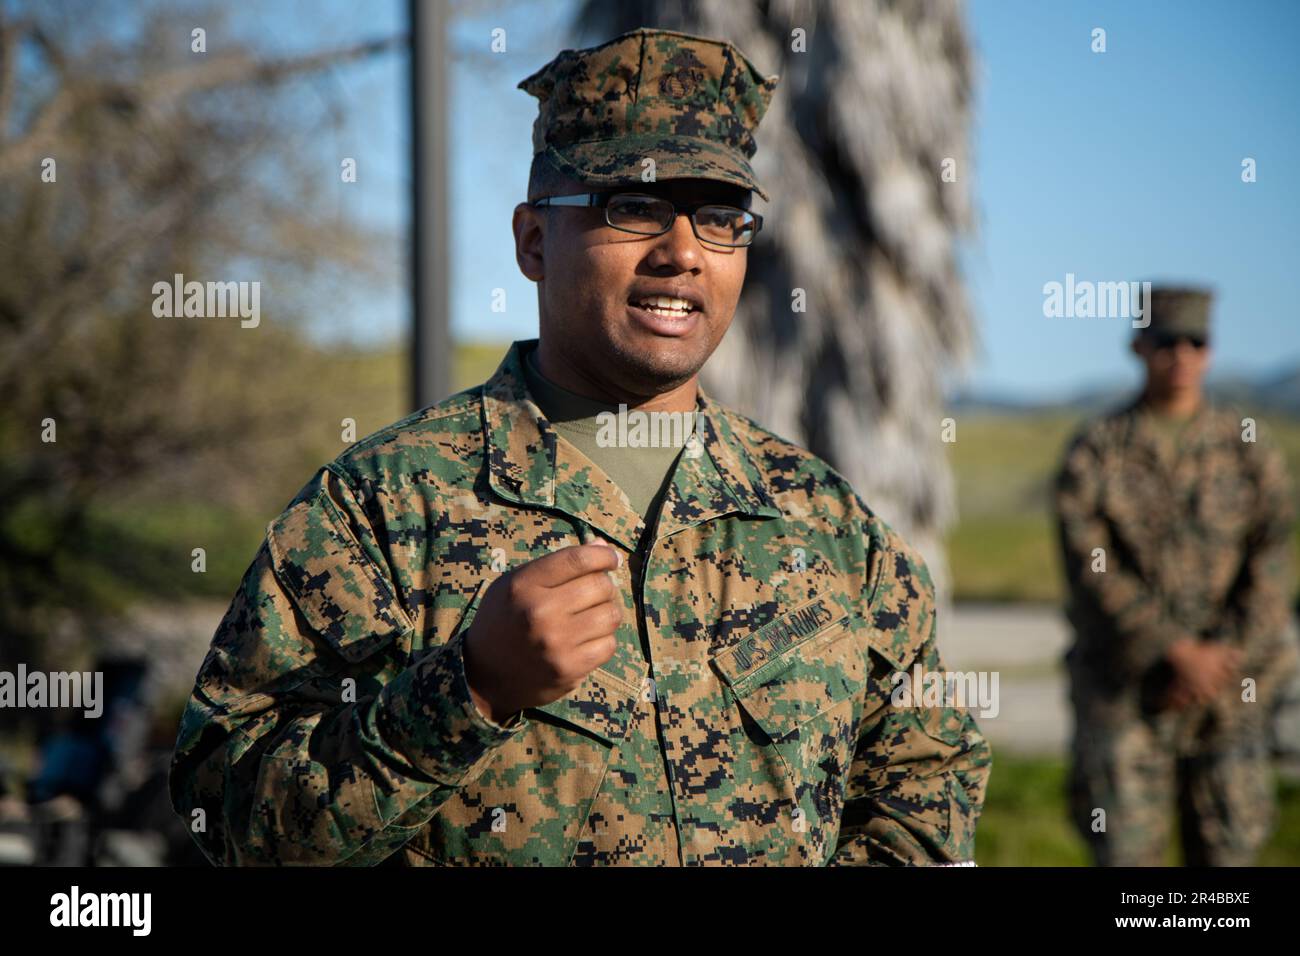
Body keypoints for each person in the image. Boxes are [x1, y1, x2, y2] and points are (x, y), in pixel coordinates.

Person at [169, 26, 990, 867]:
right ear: (533, 242)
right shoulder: (378, 506)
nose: (681, 254)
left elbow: (929, 776)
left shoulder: (825, 522)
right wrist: (470, 692)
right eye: (631, 206)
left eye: (719, 217)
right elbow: (226, 812)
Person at [1054, 285, 1296, 866]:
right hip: (1128, 692)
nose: (1181, 355)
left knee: (1226, 872)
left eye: (1196, 341)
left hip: (1231, 693)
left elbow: (1272, 565)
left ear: (1210, 352)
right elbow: (1091, 567)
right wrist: (1172, 649)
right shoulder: (1097, 451)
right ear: (1138, 347)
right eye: (1166, 341)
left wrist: (1218, 659)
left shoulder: (1249, 451)